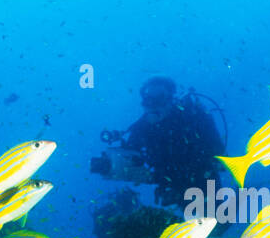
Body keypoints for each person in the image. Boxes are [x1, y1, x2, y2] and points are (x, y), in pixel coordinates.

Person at [93, 76, 225, 208]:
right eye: (148, 99)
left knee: (218, 216)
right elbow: (131, 157)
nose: (152, 105)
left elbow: (216, 152)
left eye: (159, 99)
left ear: (170, 99)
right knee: (195, 224)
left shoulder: (192, 117)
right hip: (175, 188)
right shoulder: (142, 128)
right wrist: (109, 165)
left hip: (205, 181)